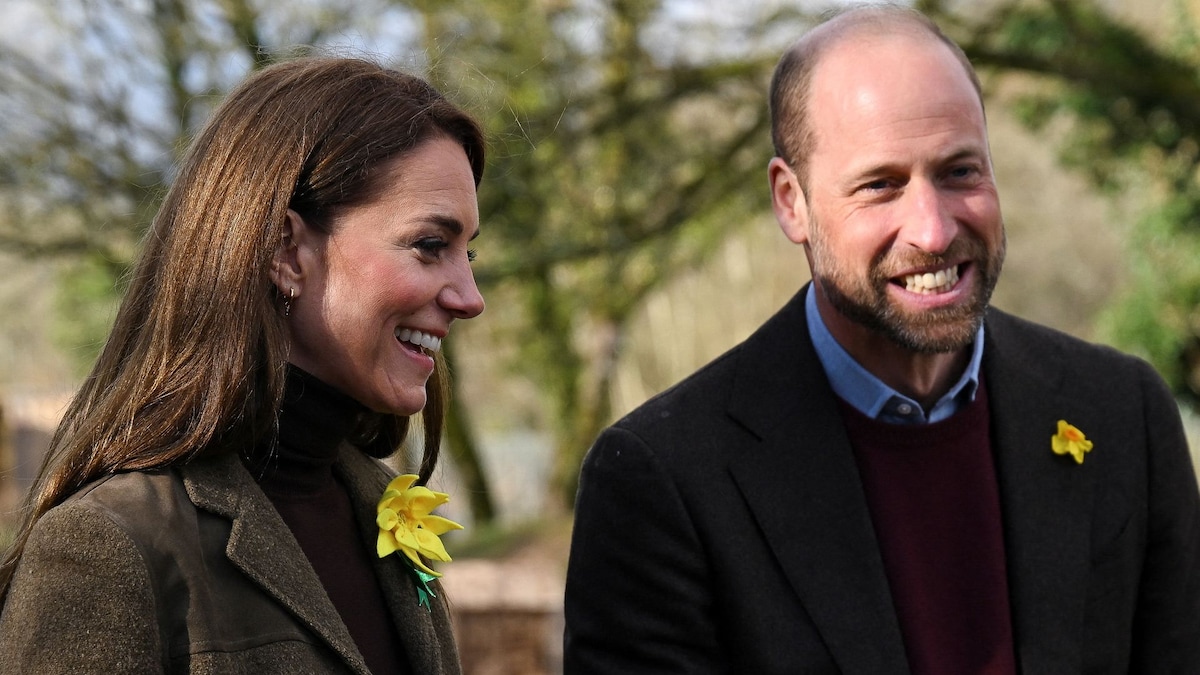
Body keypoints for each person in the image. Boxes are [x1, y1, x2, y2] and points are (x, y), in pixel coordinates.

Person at [564, 4, 1200, 674]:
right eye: (880, 185)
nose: (931, 229)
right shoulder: (664, 480)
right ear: (791, 202)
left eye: (959, 171)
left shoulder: (1122, 415)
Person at [0, 56, 485, 674]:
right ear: (286, 251)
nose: (469, 297)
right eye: (430, 245)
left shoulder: (381, 512)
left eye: (469, 253)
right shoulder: (108, 548)